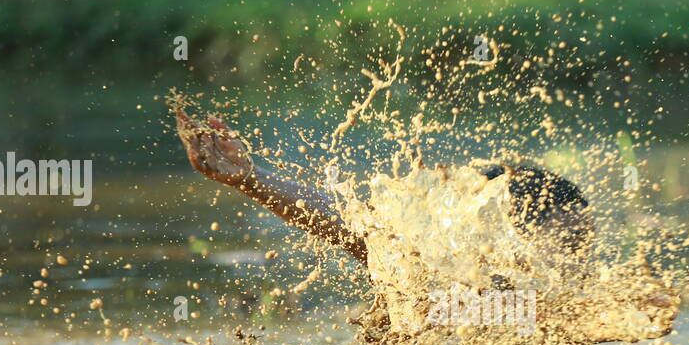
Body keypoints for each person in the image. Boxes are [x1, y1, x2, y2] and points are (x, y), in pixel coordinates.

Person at [174, 109, 593, 266]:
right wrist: (251, 179)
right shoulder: (430, 269)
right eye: (573, 239)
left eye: (584, 242)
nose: (582, 256)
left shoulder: (552, 301)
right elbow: (340, 222)